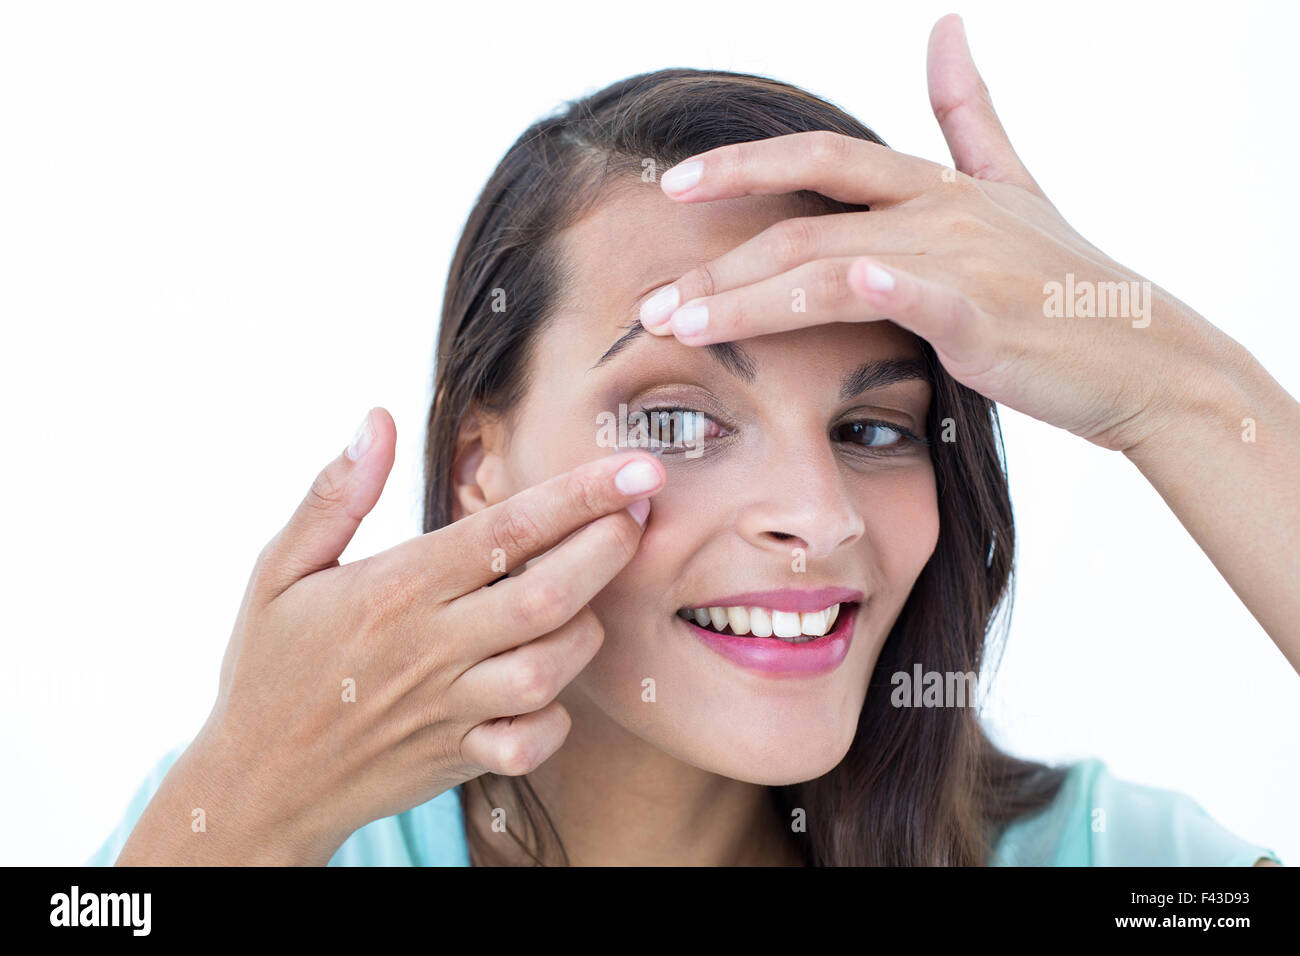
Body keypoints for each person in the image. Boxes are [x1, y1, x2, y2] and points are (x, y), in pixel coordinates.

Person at [88, 15, 1289, 867]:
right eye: (675, 419)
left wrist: (1173, 385)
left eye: (873, 427)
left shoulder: (1095, 858)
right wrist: (241, 798)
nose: (818, 516)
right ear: (477, 460)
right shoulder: (264, 831)